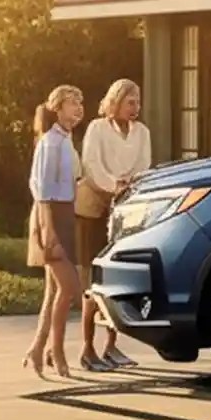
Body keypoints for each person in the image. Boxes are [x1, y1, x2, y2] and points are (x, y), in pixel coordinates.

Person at [77, 78, 152, 371]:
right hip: (94, 211)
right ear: (116, 101)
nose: (136, 108)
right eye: (130, 102)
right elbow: (92, 165)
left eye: (138, 102)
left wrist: (128, 189)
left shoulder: (142, 133)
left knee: (115, 281)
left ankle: (111, 346)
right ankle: (87, 348)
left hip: (125, 212)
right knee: (92, 283)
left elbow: (143, 166)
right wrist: (113, 185)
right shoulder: (97, 129)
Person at [23, 85, 86, 379]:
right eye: (72, 103)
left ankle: (38, 349)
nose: (78, 108)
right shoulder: (50, 143)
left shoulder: (68, 141)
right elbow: (43, 191)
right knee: (69, 288)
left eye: (79, 103)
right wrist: (49, 236)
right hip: (49, 217)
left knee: (52, 292)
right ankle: (56, 351)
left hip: (67, 215)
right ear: (57, 108)